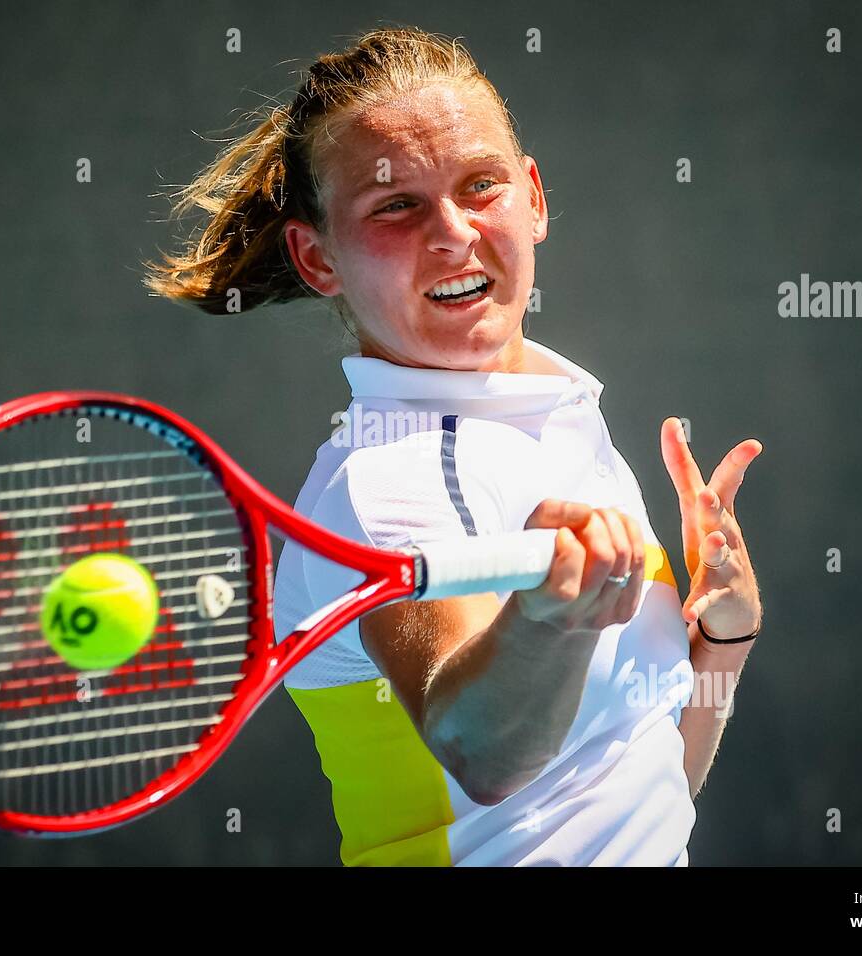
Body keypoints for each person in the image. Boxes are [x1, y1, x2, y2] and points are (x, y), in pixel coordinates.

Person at [146, 26, 764, 866]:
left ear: (534, 199)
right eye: (395, 204)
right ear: (315, 257)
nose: (453, 233)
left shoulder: (554, 413)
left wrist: (725, 637)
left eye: (482, 185)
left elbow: (641, 794)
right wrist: (551, 627)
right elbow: (482, 753)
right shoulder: (391, 482)